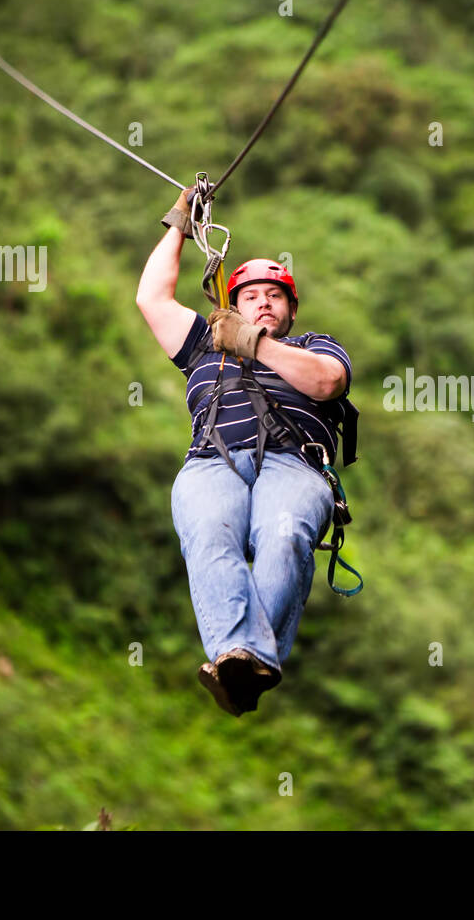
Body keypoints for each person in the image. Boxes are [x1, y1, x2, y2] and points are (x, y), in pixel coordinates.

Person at [136, 188, 354, 717]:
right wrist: (179, 226)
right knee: (210, 534)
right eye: (252, 295)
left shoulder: (314, 347)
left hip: (294, 463)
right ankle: (243, 663)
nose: (263, 302)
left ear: (291, 309)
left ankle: (242, 661)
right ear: (234, 303)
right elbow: (152, 299)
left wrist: (254, 343)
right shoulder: (203, 343)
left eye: (274, 296)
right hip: (214, 458)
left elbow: (327, 384)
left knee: (284, 536)